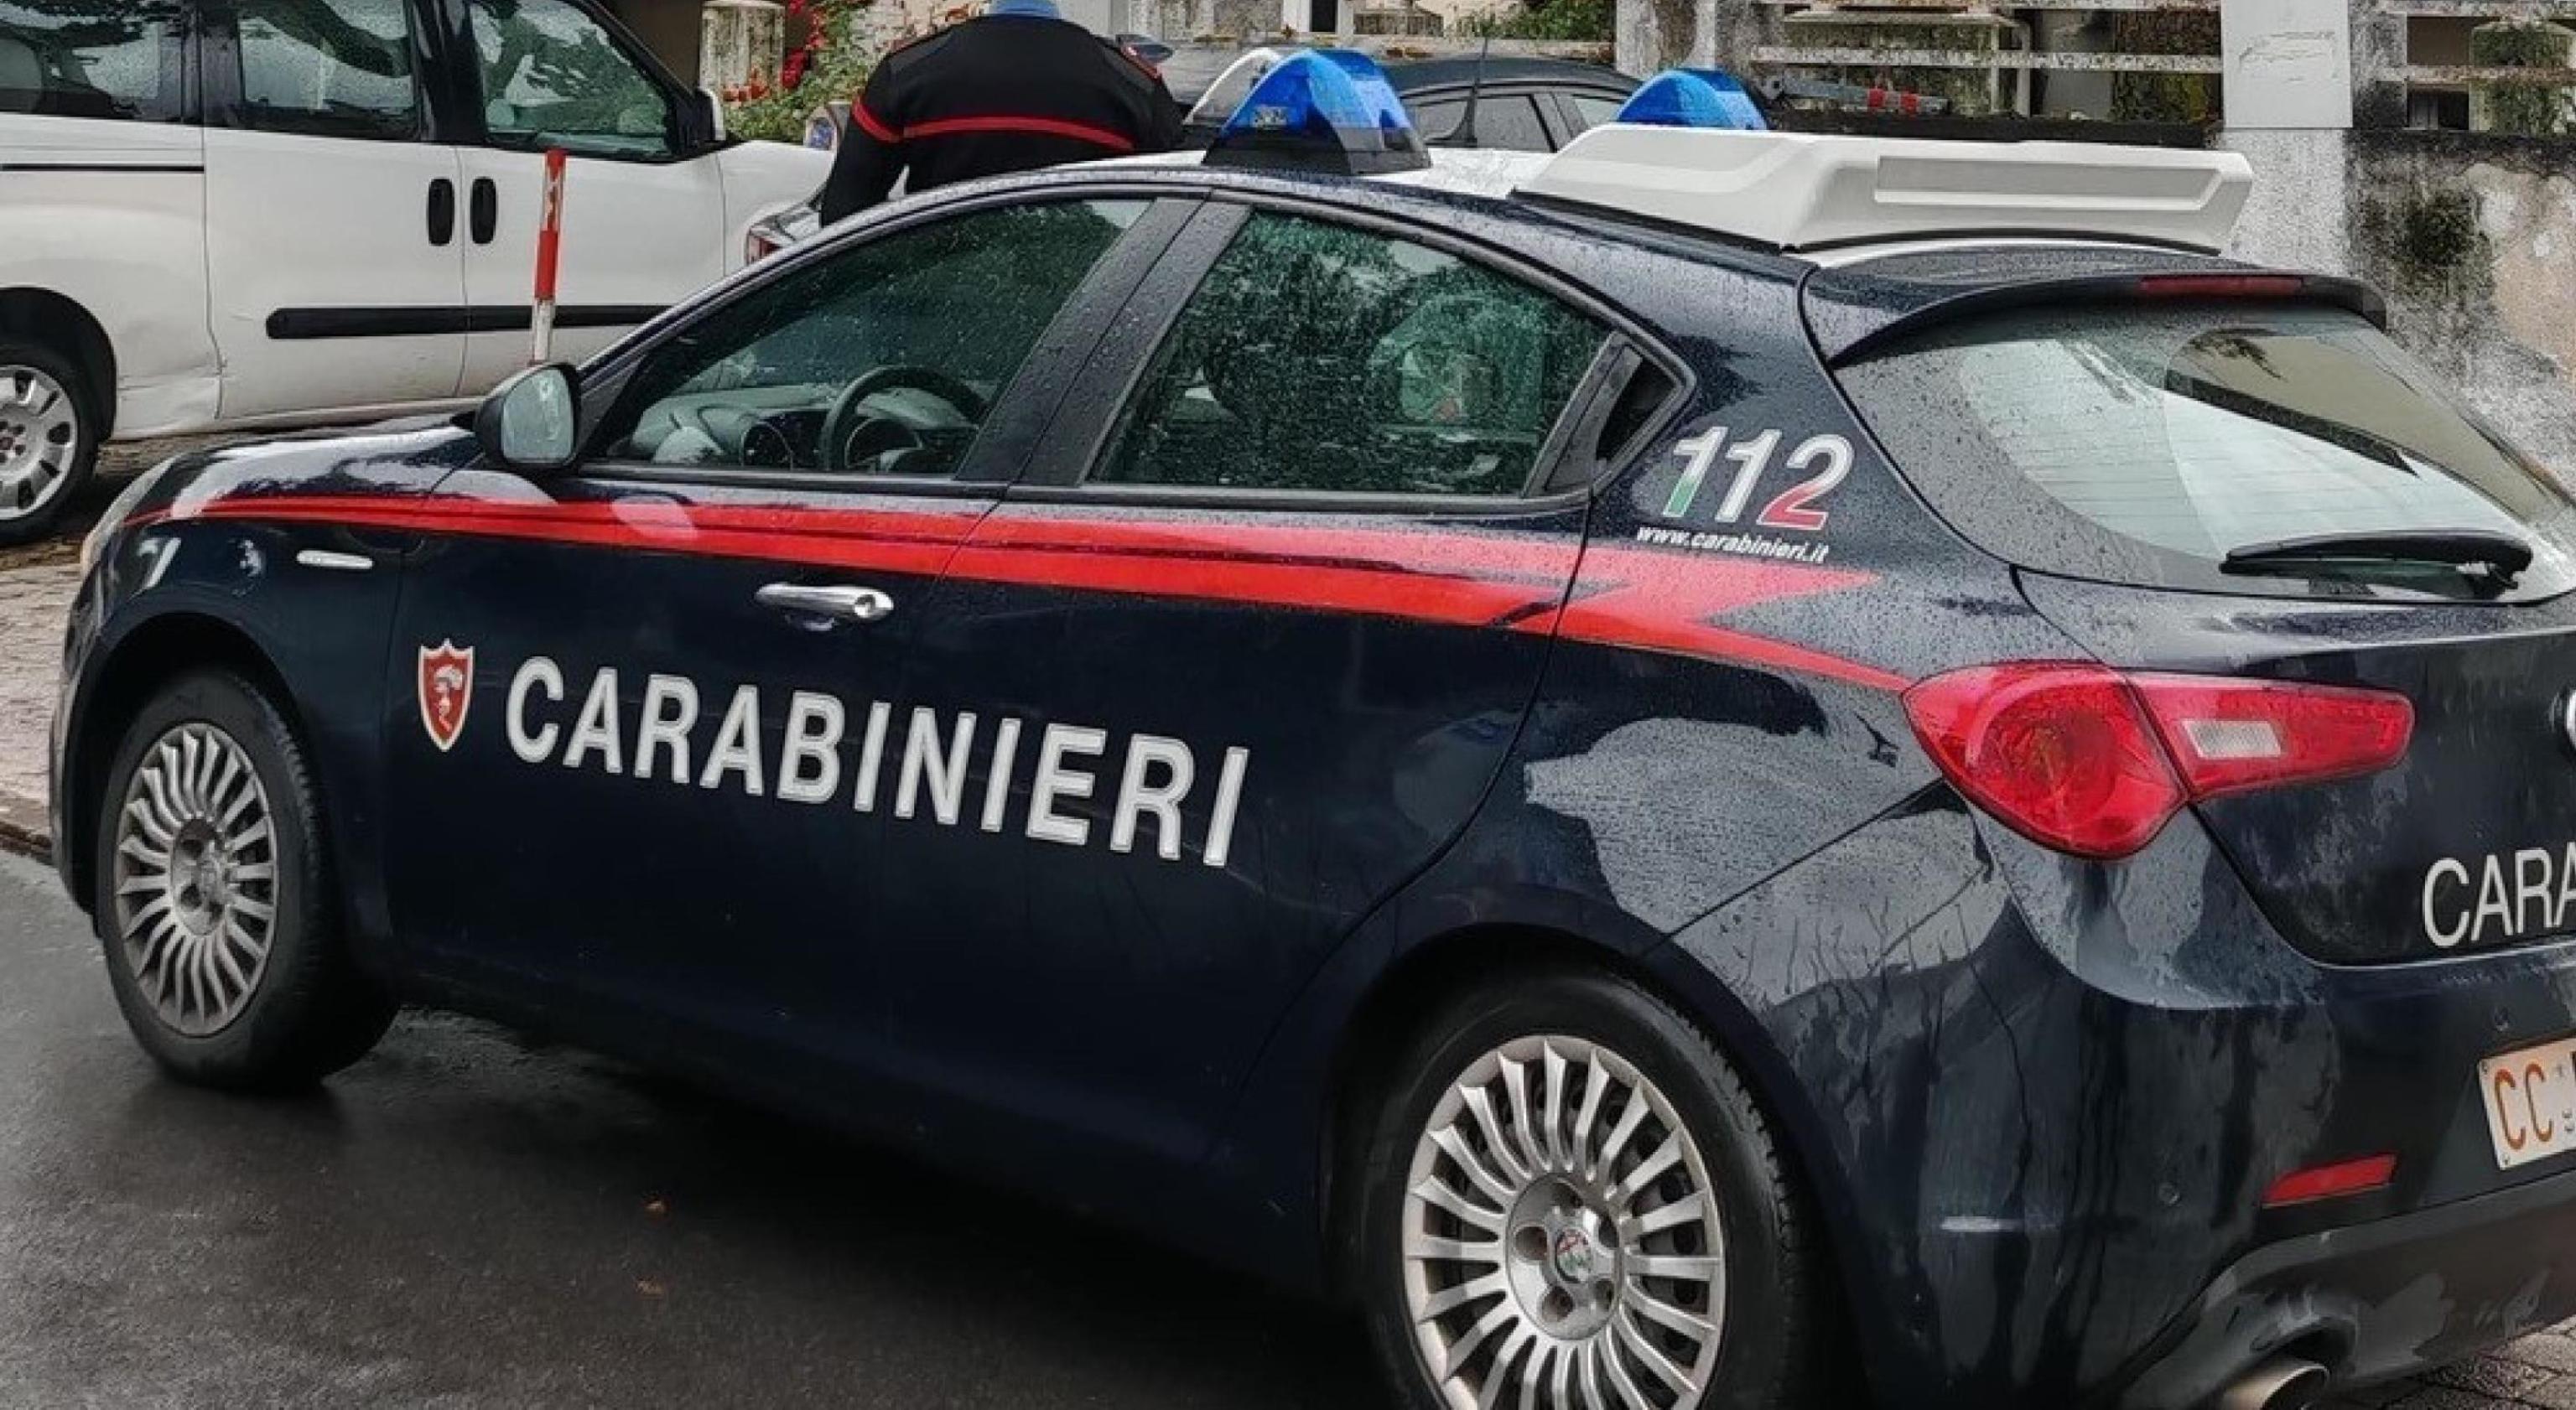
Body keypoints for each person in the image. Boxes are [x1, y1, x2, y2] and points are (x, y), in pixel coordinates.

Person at [818, 0, 1184, 224]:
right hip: (1086, 317)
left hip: (935, 312)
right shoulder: (1134, 84)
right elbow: (1179, 215)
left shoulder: (908, 72)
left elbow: (842, 213)